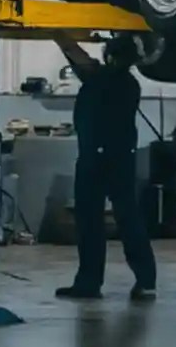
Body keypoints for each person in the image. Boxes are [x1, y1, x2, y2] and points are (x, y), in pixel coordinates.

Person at [53, 31, 157, 301]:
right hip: (121, 157)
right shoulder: (129, 84)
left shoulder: (101, 79)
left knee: (89, 220)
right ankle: (146, 281)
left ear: (110, 55)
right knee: (128, 217)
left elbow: (77, 56)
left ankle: (89, 282)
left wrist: (57, 32)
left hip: (96, 158)